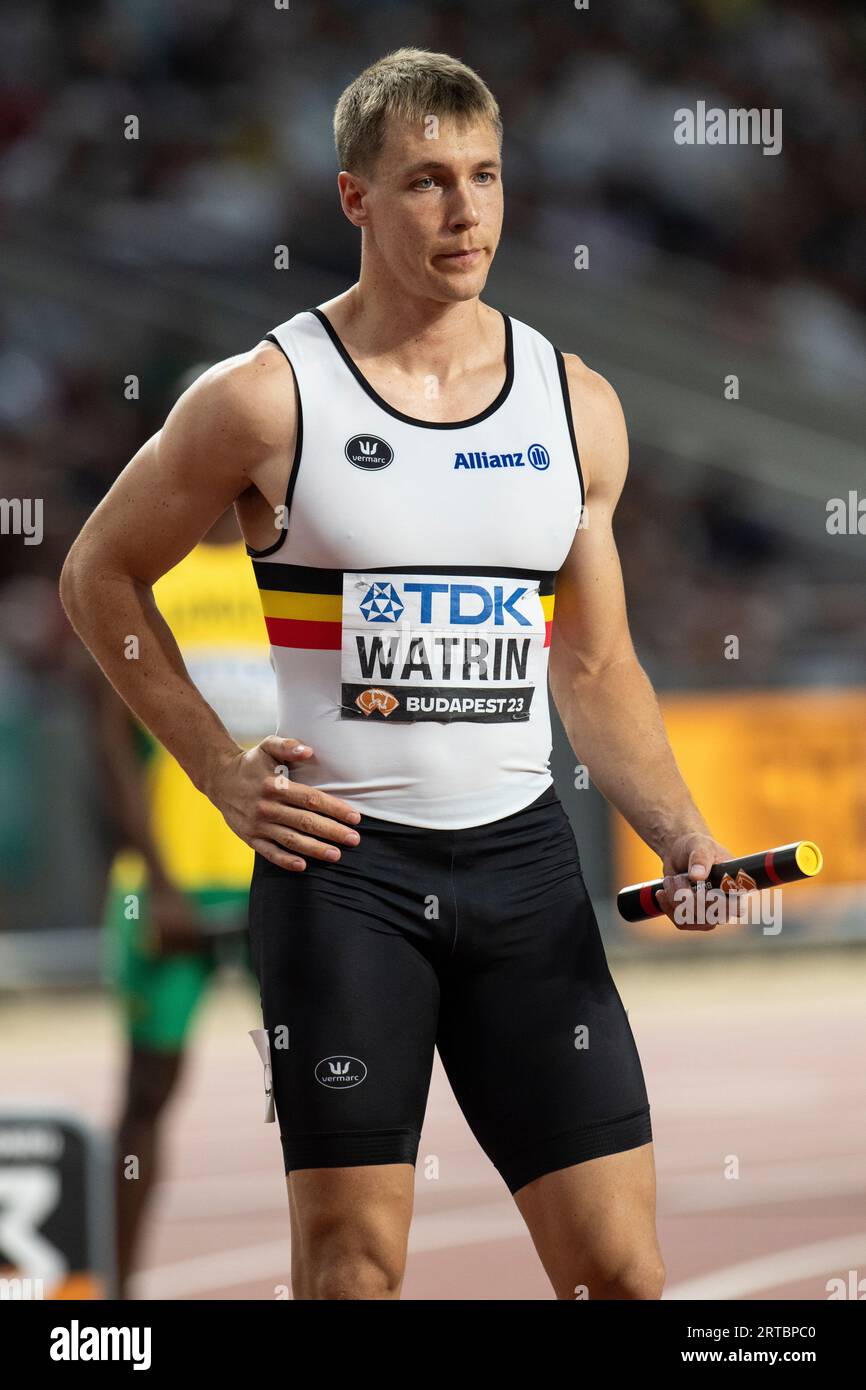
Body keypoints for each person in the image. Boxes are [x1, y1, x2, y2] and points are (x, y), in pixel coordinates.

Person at [60, 48, 731, 1301]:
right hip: (341, 882)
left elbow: (592, 663)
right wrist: (217, 769)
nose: (464, 210)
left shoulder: (573, 406)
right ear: (353, 198)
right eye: (425, 181)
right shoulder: (264, 398)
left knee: (621, 1275)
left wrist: (679, 831)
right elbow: (98, 575)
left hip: (526, 873)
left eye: (483, 176)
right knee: (355, 1271)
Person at [93, 505, 275, 1296]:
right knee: (146, 1096)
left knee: (329, 1097)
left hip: (285, 868)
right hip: (172, 888)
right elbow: (111, 744)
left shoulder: (295, 574)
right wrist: (157, 881)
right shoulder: (146, 575)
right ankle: (115, 1300)